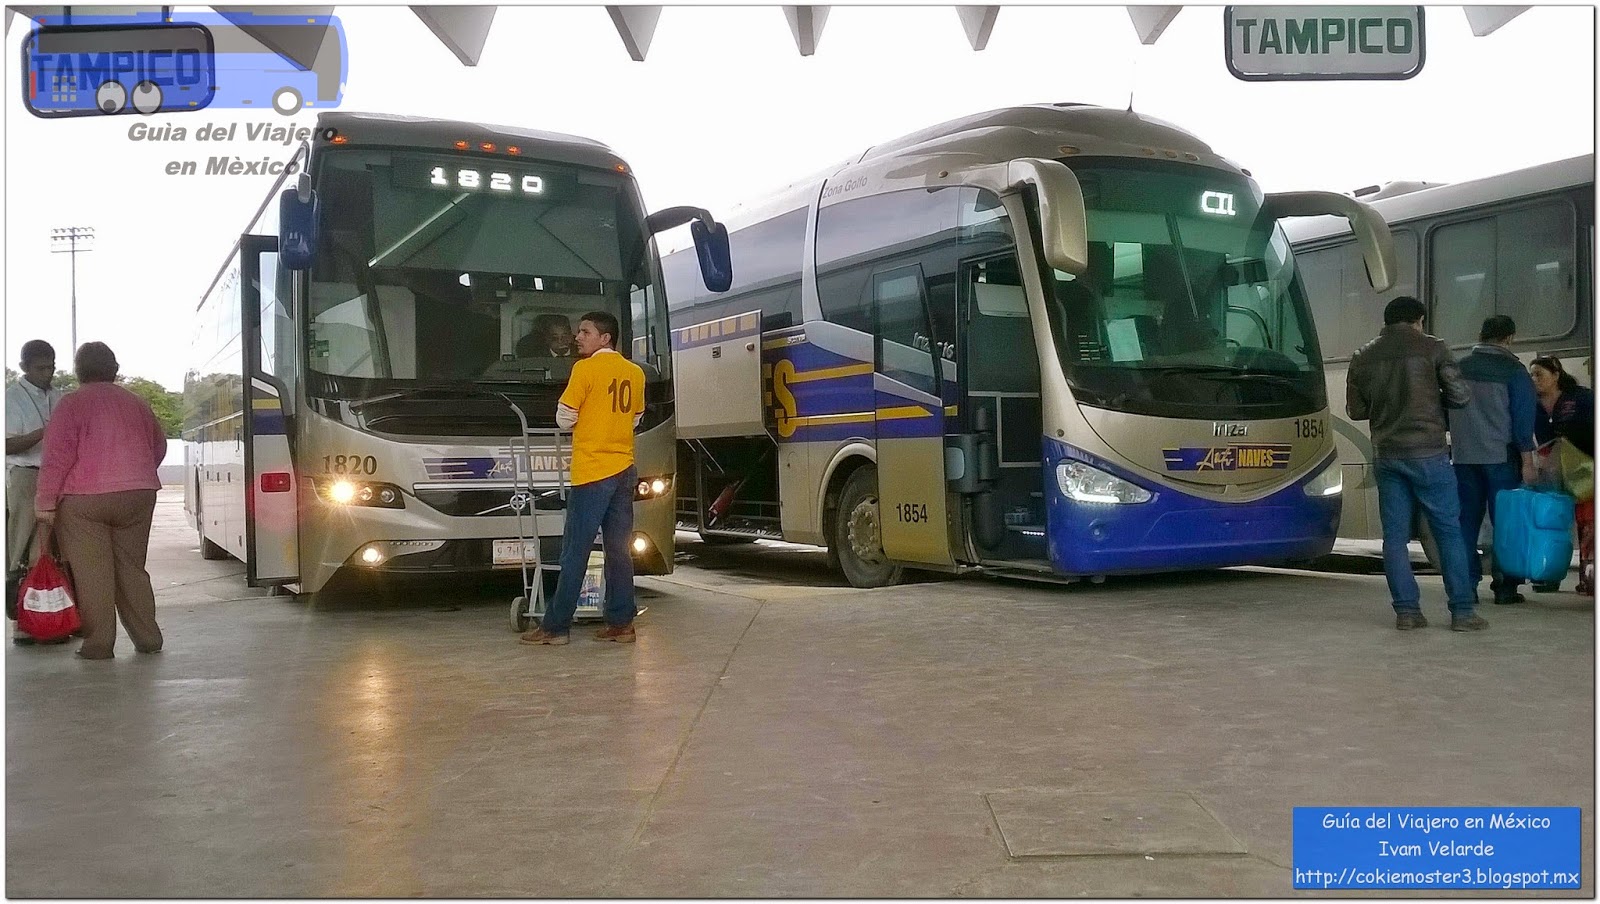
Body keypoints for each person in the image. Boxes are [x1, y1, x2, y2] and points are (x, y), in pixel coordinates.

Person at [1346, 297, 1484, 631]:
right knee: (1448, 531)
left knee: (1394, 538)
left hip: (1388, 455)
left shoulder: (1362, 356)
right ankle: (1463, 612)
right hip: (1429, 454)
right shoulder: (1434, 348)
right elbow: (1461, 397)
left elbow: (1355, 410)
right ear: (1418, 320)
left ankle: (1407, 612)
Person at [35, 343, 168, 660]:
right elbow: (159, 446)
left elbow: (56, 458)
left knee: (92, 575)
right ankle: (148, 637)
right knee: (132, 569)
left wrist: (45, 503)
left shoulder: (71, 404)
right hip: (138, 495)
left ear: (79, 371)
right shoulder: (137, 402)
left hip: (85, 502)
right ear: (115, 368)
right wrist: (137, 473)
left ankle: (98, 644)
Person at [520, 311, 645, 646]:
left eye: (585, 332)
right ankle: (621, 623)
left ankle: (555, 627)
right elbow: (636, 418)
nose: (578, 337)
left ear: (605, 338)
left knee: (575, 550)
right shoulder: (635, 373)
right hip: (624, 470)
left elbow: (564, 417)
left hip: (591, 471)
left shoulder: (584, 369)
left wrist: (587, 421)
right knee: (619, 550)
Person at [1447, 315, 1539, 605]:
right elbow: (1523, 422)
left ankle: (1465, 588)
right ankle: (1505, 588)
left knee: (1465, 522)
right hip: (1501, 458)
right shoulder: (1514, 370)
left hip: (1463, 458)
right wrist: (1527, 461)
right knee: (1506, 523)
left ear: (1481, 335)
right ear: (1509, 338)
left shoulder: (1457, 369)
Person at [6, 340, 68, 645]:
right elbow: (7, 445)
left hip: (58, 478)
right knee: (20, 549)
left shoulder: (60, 397)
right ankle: (22, 623)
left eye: (52, 366)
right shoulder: (11, 398)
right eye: (42, 368)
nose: (49, 373)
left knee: (51, 550)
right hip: (25, 476)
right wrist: (45, 433)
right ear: (24, 367)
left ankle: (52, 619)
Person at [1530, 355, 1595, 595]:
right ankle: (1552, 575)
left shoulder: (1581, 398)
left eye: (1540, 375)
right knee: (1560, 521)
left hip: (1586, 467)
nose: (1535, 380)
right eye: (1532, 375)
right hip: (1555, 473)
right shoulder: (1535, 406)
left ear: (1556, 375)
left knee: (1589, 522)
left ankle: (1590, 579)